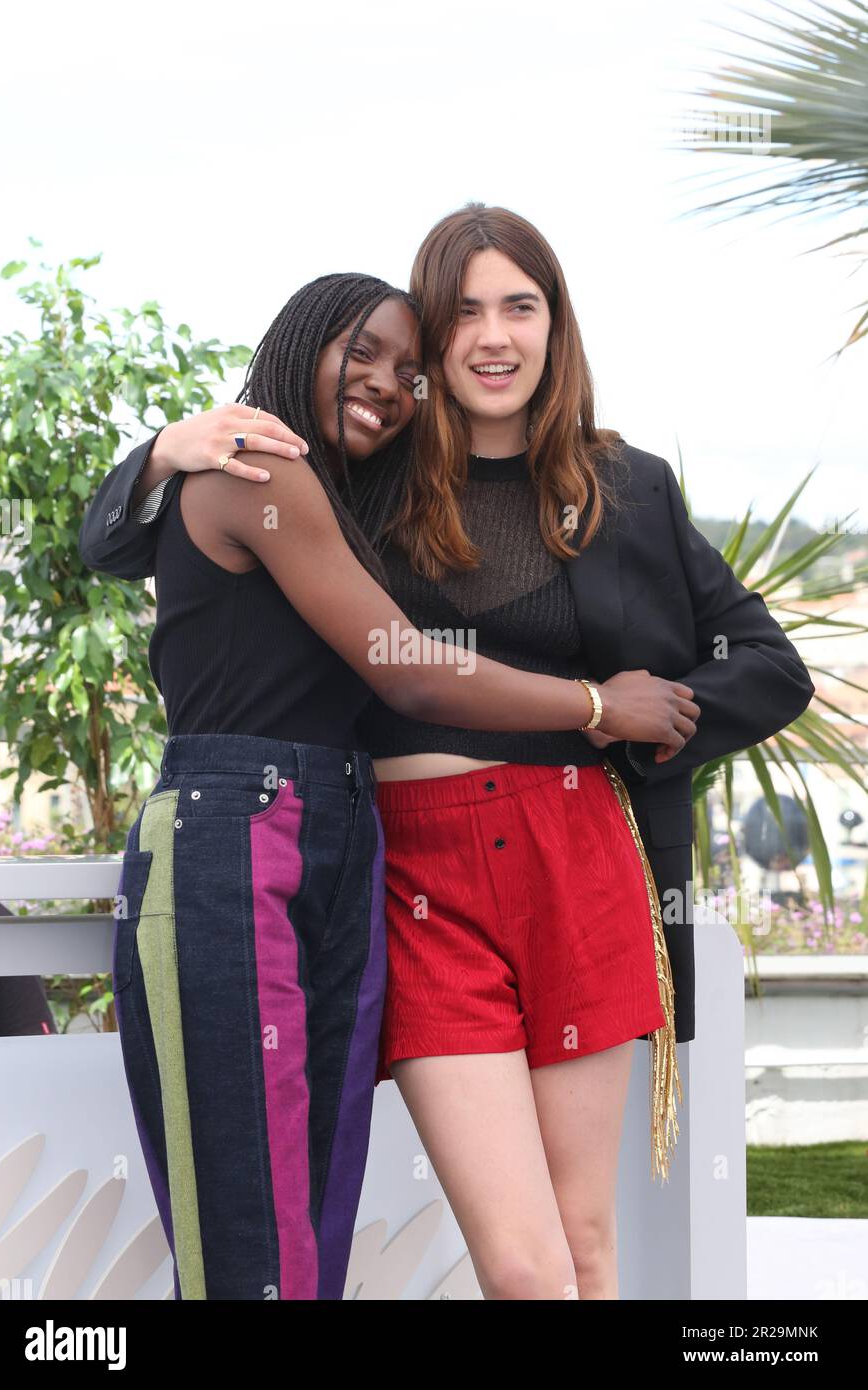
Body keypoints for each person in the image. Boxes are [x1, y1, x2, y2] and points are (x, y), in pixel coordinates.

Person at [79, 269, 697, 1301]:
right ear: (298, 344)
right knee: (250, 1231)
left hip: (338, 838)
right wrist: (594, 706)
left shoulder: (341, 502)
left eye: (410, 370)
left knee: (312, 1212)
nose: (386, 382)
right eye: (359, 351)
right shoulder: (255, 469)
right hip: (231, 828)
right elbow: (401, 661)